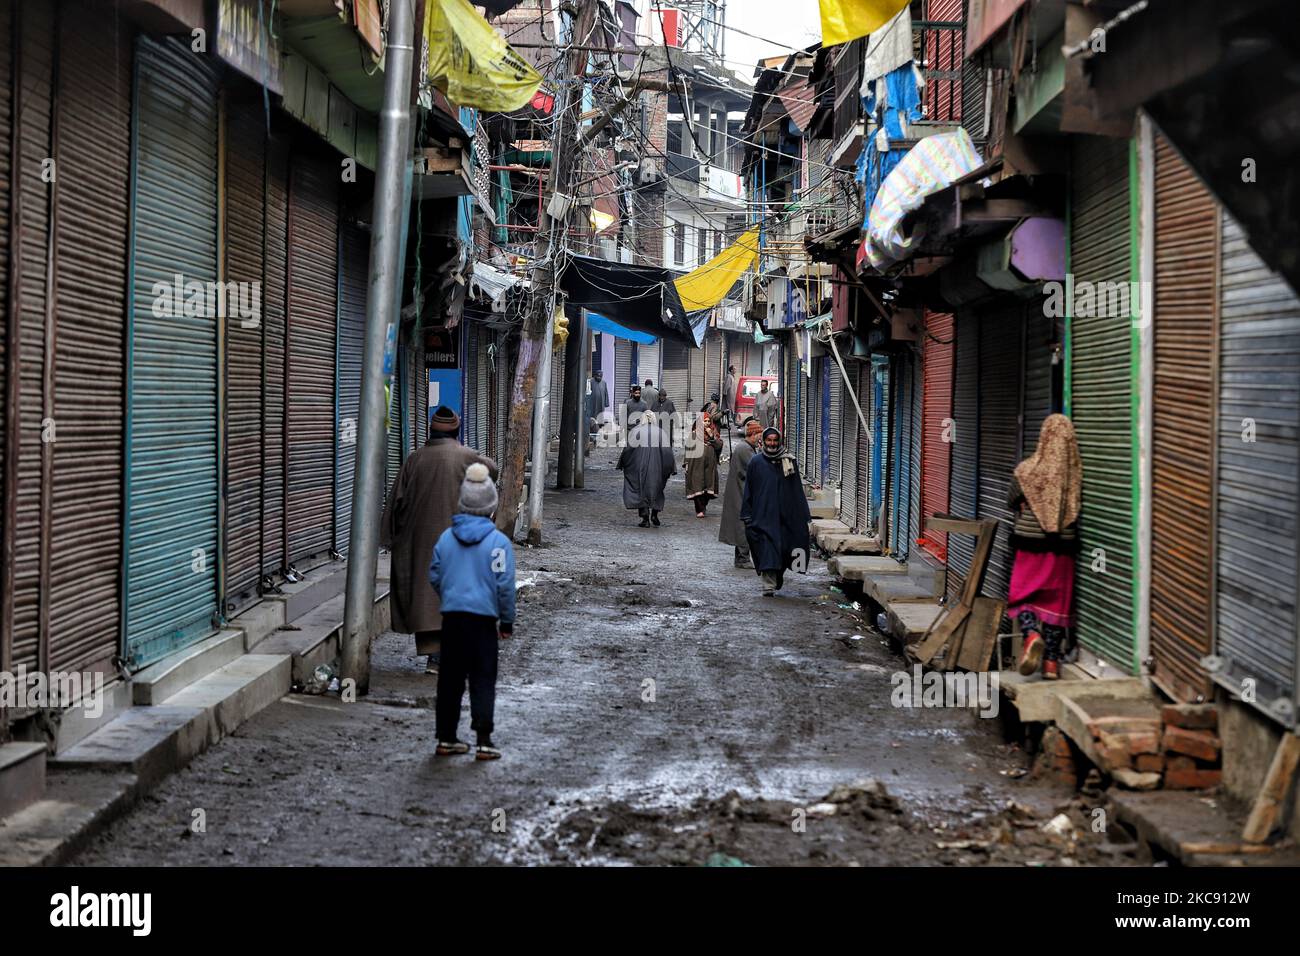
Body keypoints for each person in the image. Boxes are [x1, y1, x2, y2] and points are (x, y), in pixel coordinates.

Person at [381, 406, 497, 675]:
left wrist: (390, 538)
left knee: (426, 598)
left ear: (429, 432)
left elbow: (395, 501)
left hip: (419, 542)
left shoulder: (414, 459)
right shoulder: (467, 457)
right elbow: (492, 470)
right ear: (457, 432)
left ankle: (435, 657)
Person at [428, 463, 516, 760]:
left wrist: (451, 597)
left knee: (449, 680)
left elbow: (435, 575)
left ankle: (446, 738)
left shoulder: (445, 539)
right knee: (482, 679)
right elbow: (504, 586)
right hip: (483, 623)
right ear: (491, 506)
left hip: (452, 621)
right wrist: (507, 620)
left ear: (462, 502)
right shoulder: (498, 545)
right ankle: (484, 740)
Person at [1008, 414, 1081, 681]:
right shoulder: (1074, 474)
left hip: (1029, 542)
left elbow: (1012, 499)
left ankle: (1031, 634)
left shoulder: (1027, 470)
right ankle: (1051, 662)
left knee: (1023, 592)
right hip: (1063, 546)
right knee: (1057, 603)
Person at [741, 426, 811, 596]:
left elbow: (796, 490)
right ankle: (768, 584)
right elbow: (748, 489)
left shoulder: (788, 462)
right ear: (763, 441)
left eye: (775, 440)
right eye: (769, 440)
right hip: (762, 516)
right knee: (766, 550)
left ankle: (777, 576)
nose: (772, 443)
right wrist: (747, 513)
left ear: (779, 441)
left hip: (784, 516)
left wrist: (803, 516)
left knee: (784, 550)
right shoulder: (756, 462)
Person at [617, 409, 676, 527]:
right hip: (657, 468)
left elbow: (628, 450)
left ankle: (645, 518)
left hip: (639, 466)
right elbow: (667, 452)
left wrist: (622, 462)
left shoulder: (636, 431)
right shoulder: (661, 432)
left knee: (641, 489)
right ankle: (655, 513)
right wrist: (670, 467)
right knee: (657, 489)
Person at [719, 417, 762, 567]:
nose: (759, 439)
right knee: (744, 526)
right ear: (753, 434)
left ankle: (741, 557)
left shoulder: (746, 448)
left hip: (740, 491)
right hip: (741, 492)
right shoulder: (745, 449)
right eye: (759, 436)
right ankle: (743, 558)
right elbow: (756, 468)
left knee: (742, 525)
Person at [685, 408, 723, 517]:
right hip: (696, 465)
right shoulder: (694, 434)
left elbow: (719, 445)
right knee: (697, 484)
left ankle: (704, 505)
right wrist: (686, 463)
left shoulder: (714, 433)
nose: (706, 423)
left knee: (708, 485)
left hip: (710, 465)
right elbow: (688, 449)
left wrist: (711, 437)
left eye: (708, 421)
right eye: (704, 421)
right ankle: (699, 509)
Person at [586, 369, 609, 433]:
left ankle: (599, 428)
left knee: (600, 415)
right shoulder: (591, 381)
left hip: (601, 403)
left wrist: (606, 403)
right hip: (592, 402)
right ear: (595, 375)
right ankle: (592, 428)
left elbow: (606, 393)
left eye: (600, 376)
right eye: (598, 376)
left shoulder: (604, 383)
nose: (599, 377)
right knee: (593, 415)